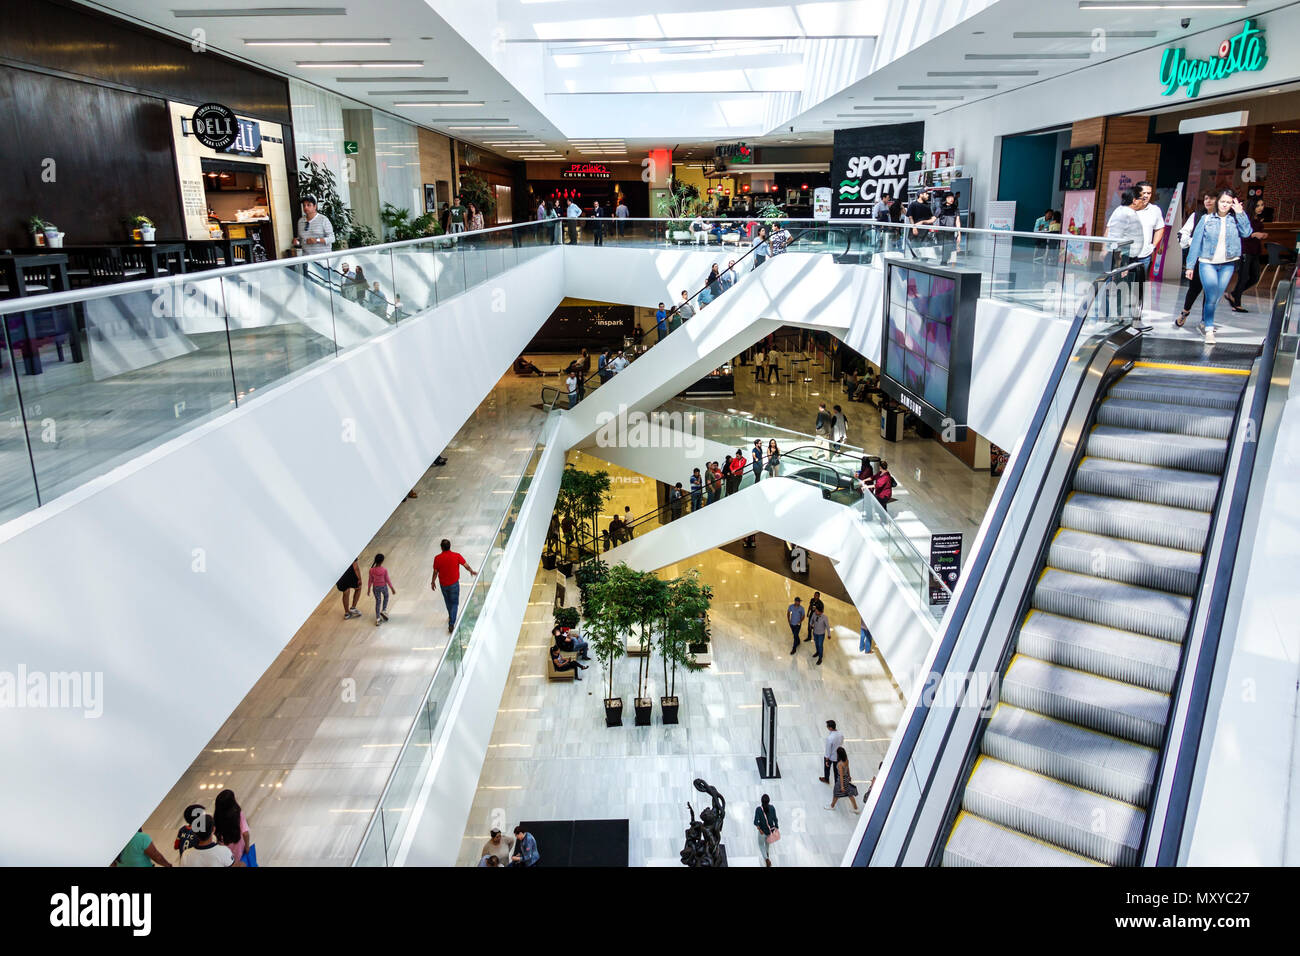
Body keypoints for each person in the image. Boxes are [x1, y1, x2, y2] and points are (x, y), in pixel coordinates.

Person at [1184, 189, 1252, 346]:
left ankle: (1204, 322)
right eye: (1223, 202)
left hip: (1228, 263)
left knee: (1215, 298)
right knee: (1211, 294)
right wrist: (1190, 265)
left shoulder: (1235, 220)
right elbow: (1195, 244)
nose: (1225, 205)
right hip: (1207, 262)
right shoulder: (1206, 219)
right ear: (1218, 202)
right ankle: (1209, 329)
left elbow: (1247, 233)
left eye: (1228, 202)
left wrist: (1241, 213)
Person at [1176, 192, 1218, 326]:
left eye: (1212, 198)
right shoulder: (1197, 216)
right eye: (1206, 198)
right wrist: (1193, 242)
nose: (1208, 201)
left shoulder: (1224, 219)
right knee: (1194, 289)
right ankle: (1185, 312)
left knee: (1210, 292)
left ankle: (1206, 321)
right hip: (1199, 260)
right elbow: (1183, 234)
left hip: (1216, 261)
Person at [1104, 190, 1145, 319]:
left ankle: (1118, 315)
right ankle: (1115, 317)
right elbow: (1115, 238)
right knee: (1119, 287)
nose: (1143, 202)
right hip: (1123, 256)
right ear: (1134, 200)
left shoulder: (1127, 212)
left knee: (1124, 287)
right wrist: (1120, 261)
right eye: (1141, 199)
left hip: (1128, 256)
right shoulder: (1123, 213)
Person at [1228, 196, 1269, 312]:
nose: (1261, 208)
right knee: (1243, 277)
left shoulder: (1258, 219)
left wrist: (1262, 235)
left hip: (1255, 251)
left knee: (1255, 277)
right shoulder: (1245, 218)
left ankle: (1234, 293)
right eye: (1258, 205)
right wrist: (1254, 234)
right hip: (1245, 250)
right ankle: (1237, 304)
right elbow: (1242, 234)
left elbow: (1257, 233)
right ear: (1252, 206)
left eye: (1262, 205)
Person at [432, 538, 477, 633]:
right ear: (450, 546)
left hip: (443, 585)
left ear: (441, 548)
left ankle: (451, 616)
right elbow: (466, 565)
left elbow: (435, 572)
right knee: (455, 603)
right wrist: (471, 571)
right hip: (454, 584)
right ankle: (451, 623)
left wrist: (433, 582)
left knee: (448, 602)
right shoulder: (456, 556)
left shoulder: (437, 558)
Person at [214, 788, 252, 864]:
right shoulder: (238, 814)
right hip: (237, 847)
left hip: (223, 848)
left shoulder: (217, 815)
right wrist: (247, 847)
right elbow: (245, 833)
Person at [827, 746, 860, 812]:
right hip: (847, 779)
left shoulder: (840, 764)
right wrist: (849, 776)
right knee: (849, 794)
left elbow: (841, 776)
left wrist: (841, 786)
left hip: (841, 781)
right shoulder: (846, 760)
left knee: (836, 793)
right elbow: (848, 768)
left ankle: (832, 806)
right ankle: (856, 808)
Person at [367, 552, 395, 627]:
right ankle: (384, 610)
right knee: (386, 596)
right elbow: (387, 579)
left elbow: (370, 580)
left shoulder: (371, 570)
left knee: (378, 601)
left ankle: (378, 619)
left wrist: (369, 589)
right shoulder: (384, 570)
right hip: (383, 586)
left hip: (375, 588)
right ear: (382, 561)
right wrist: (392, 588)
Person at [754, 794, 778, 867]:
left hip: (762, 832)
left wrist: (759, 829)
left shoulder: (758, 809)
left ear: (761, 801)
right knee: (767, 844)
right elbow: (775, 819)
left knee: (761, 845)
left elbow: (755, 822)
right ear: (769, 801)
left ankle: (766, 859)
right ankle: (767, 854)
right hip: (770, 831)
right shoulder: (772, 808)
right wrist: (776, 827)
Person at [937, 193, 961, 264]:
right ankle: (944, 262)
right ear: (946, 198)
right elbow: (934, 218)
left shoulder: (955, 209)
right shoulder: (940, 209)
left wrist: (959, 234)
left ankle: (946, 263)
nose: (952, 199)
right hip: (942, 233)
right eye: (949, 197)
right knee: (945, 249)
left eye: (952, 197)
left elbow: (957, 221)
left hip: (951, 233)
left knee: (950, 249)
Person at [819, 719, 844, 783]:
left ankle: (826, 779)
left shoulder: (830, 738)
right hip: (838, 755)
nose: (826, 727)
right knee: (836, 771)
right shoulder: (841, 734)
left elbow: (828, 750)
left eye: (827, 726)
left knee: (827, 768)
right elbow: (841, 743)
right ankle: (837, 784)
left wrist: (827, 760)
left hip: (830, 756)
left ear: (830, 728)